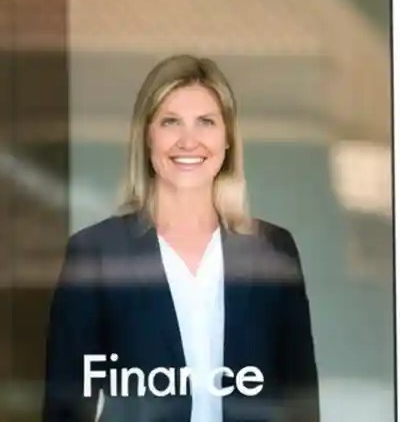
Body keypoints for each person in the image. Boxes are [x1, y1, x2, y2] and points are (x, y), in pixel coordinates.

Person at [43, 54, 319, 422]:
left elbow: (301, 403)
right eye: (170, 122)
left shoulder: (273, 250)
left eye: (206, 122)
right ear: (147, 137)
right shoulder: (96, 252)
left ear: (227, 140)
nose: (188, 141)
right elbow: (66, 408)